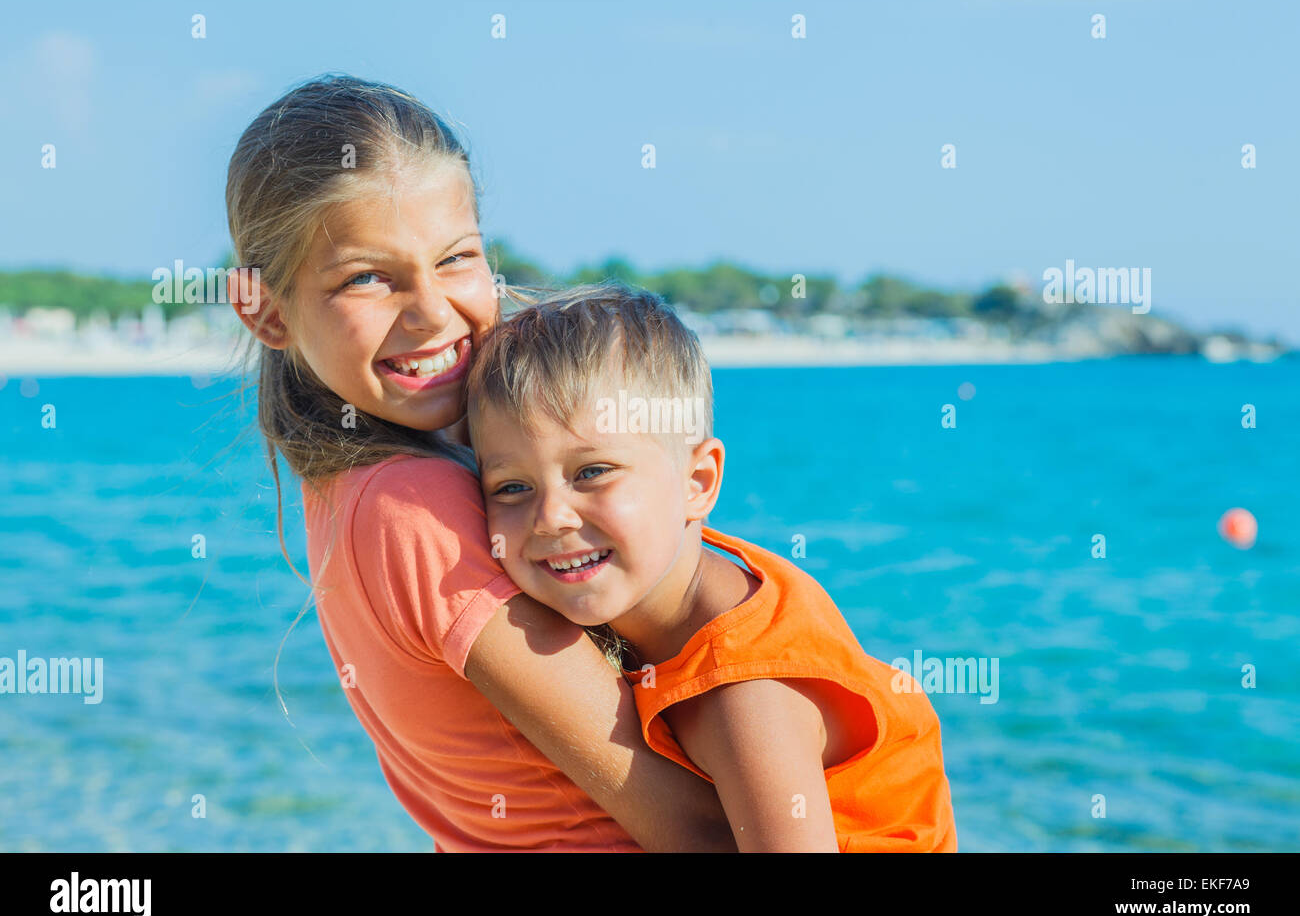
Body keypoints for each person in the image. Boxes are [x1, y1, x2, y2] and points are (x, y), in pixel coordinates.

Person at [224, 74, 734, 852]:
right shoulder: (414, 508)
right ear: (264, 308)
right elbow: (696, 828)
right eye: (367, 277)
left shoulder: (354, 488)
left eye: (456, 258)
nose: (433, 312)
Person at [465, 284, 959, 852]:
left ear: (698, 483)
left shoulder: (746, 699)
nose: (550, 517)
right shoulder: (671, 569)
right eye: (512, 486)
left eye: (593, 472)